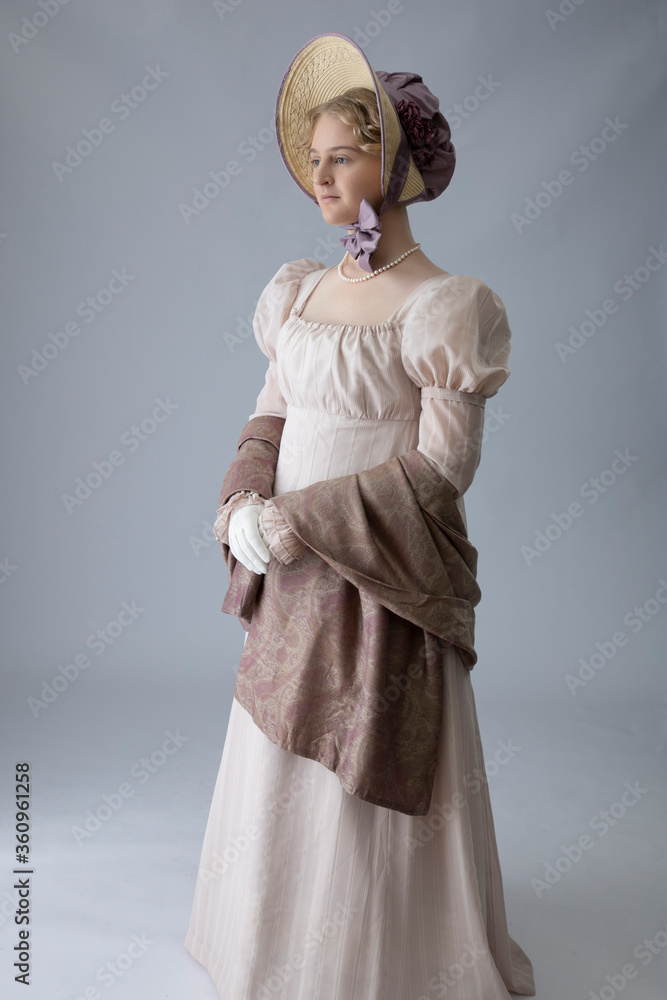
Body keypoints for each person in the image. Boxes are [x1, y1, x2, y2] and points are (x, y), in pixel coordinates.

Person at [185, 32, 536, 1000]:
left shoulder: (440, 306)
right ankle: (276, 939)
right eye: (315, 158)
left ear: (397, 163)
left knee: (374, 743)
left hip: (383, 576)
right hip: (289, 570)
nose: (319, 178)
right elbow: (272, 406)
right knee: (278, 746)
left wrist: (305, 522)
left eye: (341, 156)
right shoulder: (300, 291)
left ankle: (386, 953)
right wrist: (243, 499)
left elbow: (443, 466)